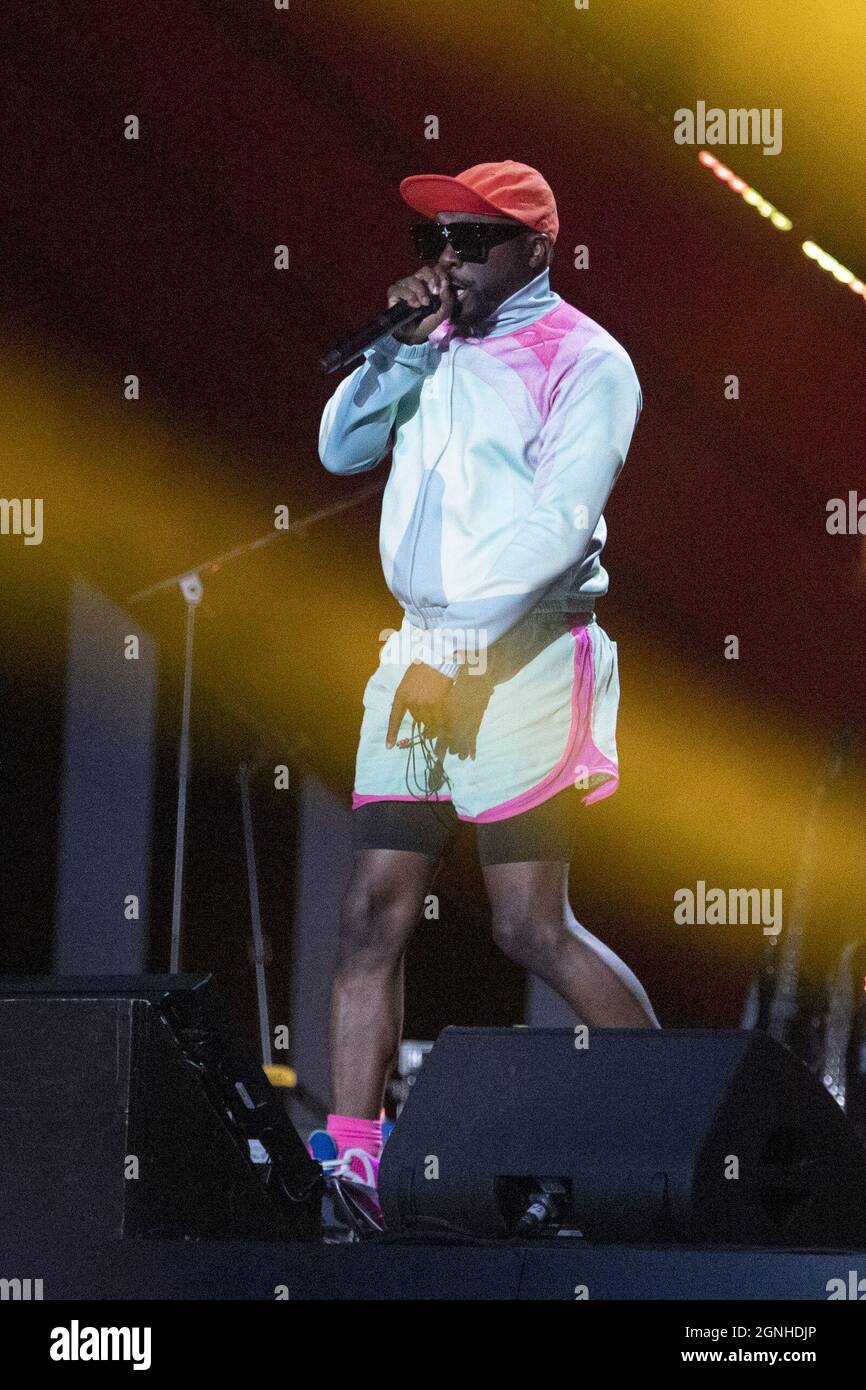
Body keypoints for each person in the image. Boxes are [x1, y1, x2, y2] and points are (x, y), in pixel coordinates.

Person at [315, 160, 659, 1213]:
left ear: (533, 253)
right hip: (416, 651)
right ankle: (356, 1159)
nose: (446, 260)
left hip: (522, 659)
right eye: (438, 241)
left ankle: (675, 1113)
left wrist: (462, 655)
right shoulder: (429, 346)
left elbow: (555, 529)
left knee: (527, 925)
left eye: (470, 241)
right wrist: (390, 350)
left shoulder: (587, 361)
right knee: (372, 910)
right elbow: (338, 449)